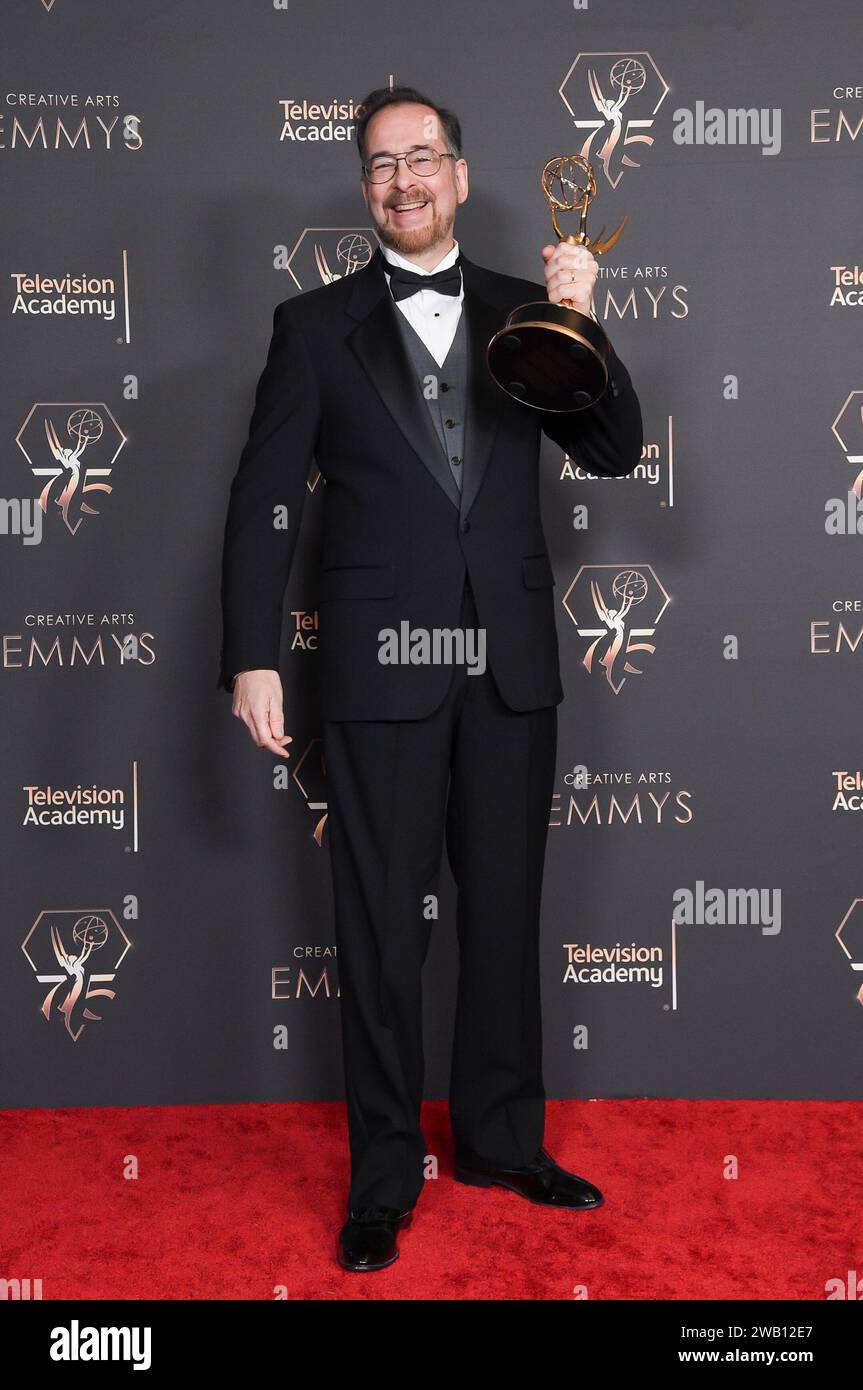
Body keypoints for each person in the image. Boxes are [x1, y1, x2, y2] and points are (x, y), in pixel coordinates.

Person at [217, 84, 643, 1273]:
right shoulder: (312, 328)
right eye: (379, 166)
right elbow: (261, 503)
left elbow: (614, 452)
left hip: (505, 668)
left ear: (458, 175)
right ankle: (382, 1172)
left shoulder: (525, 311)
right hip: (378, 672)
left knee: (502, 919)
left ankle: (504, 1141)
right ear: (365, 189)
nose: (402, 180)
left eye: (422, 159)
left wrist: (585, 322)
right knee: (378, 935)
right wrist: (253, 652)